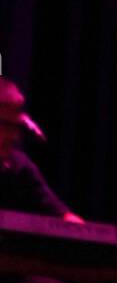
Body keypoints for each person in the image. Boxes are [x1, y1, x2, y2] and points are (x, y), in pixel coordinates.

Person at [0, 77, 82, 221]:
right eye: (6, 125)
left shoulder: (19, 167)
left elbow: (63, 217)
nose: (15, 137)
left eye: (16, 127)